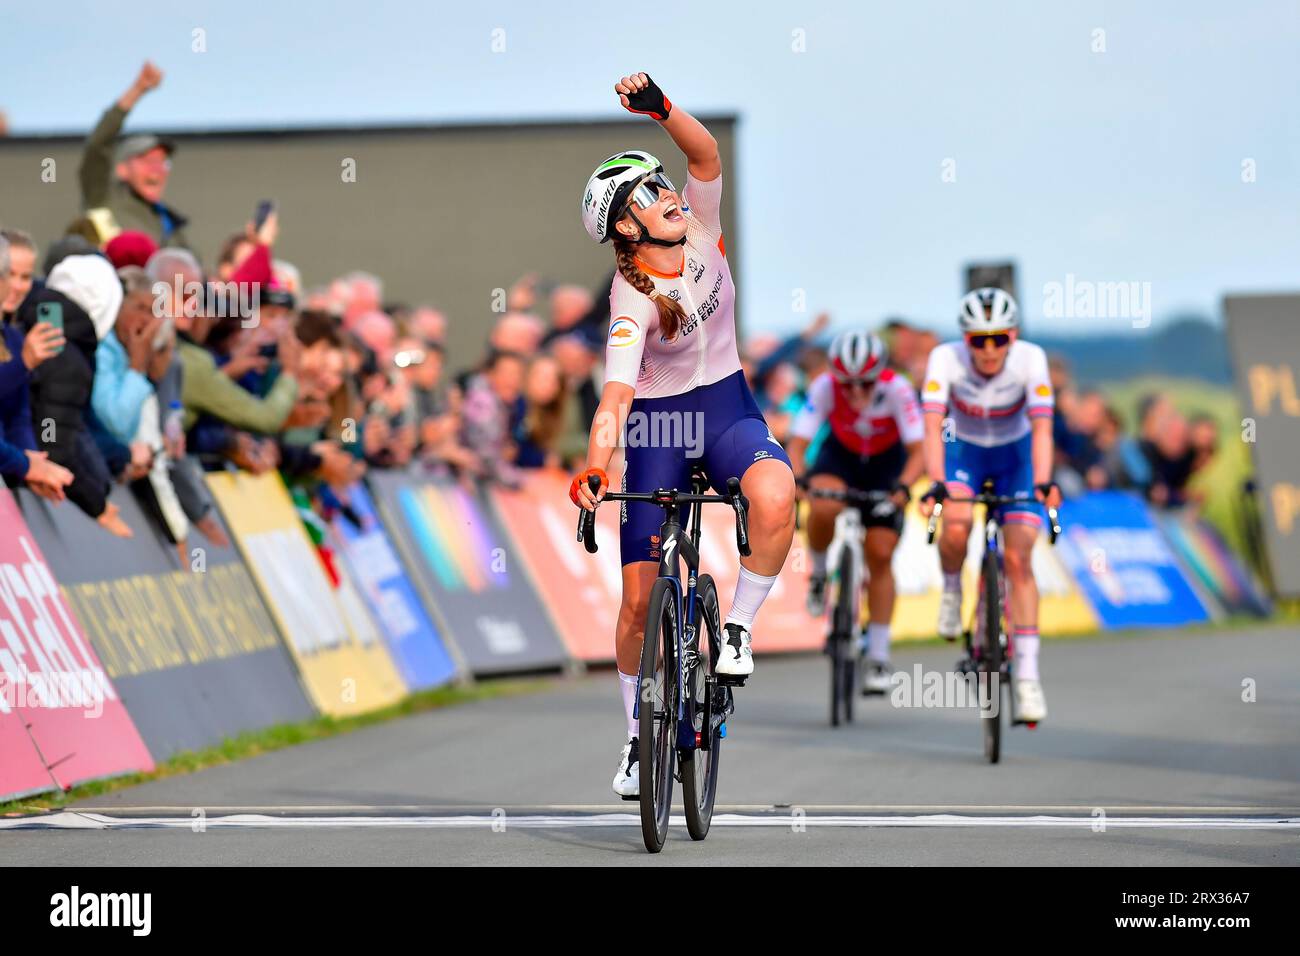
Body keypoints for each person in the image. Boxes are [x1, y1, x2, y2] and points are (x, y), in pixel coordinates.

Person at [571, 73, 795, 798]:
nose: (666, 192)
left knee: (776, 493)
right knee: (637, 602)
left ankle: (736, 627)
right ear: (624, 228)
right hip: (661, 426)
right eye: (645, 193)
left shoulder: (699, 227)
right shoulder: (630, 296)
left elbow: (704, 159)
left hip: (726, 406)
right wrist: (595, 465)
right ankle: (639, 741)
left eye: (659, 182)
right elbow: (616, 392)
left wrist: (662, 109)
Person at [917, 288, 1061, 723]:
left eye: (999, 338)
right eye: (979, 340)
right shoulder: (945, 358)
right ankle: (952, 588)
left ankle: (1029, 678)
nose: (990, 349)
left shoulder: (1031, 359)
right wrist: (937, 483)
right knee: (956, 523)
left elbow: (1041, 429)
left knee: (1019, 559)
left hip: (1016, 456)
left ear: (1014, 335)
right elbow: (931, 424)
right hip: (963, 452)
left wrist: (1042, 482)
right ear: (966, 339)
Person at [787, 330, 924, 693]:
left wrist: (905, 486)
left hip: (886, 463)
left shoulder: (899, 389)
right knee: (824, 504)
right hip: (843, 457)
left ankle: (878, 655)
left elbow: (919, 451)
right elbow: (798, 443)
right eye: (847, 385)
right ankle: (818, 574)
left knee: (880, 553)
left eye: (865, 384)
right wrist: (799, 477)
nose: (856, 393)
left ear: (880, 375)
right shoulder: (825, 388)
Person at [79, 61, 190, 248]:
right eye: (147, 160)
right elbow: (97, 147)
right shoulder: (104, 198)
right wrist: (137, 90)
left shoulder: (168, 222)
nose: (157, 168)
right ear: (122, 169)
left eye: (162, 161)